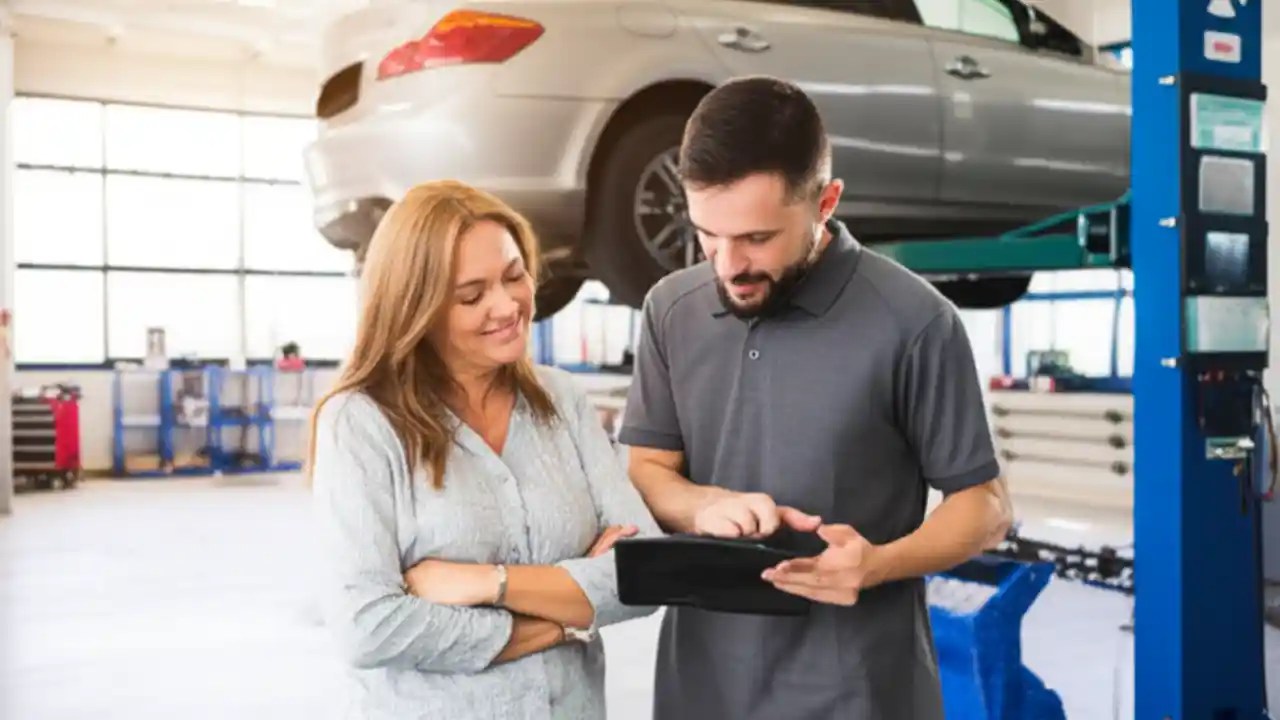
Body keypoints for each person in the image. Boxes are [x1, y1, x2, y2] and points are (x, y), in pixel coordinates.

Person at [619, 76, 1015, 719]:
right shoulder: (671, 310)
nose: (727, 265)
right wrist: (701, 503)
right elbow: (647, 469)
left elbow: (985, 506)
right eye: (707, 235)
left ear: (825, 201)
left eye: (756, 239)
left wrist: (879, 564)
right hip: (701, 688)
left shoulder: (914, 321)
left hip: (857, 691)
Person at [308, 180, 662, 719]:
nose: (507, 305)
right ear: (416, 307)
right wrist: (563, 616)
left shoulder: (561, 400)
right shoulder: (361, 424)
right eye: (471, 295)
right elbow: (368, 626)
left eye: (514, 275)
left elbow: (645, 571)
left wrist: (484, 583)